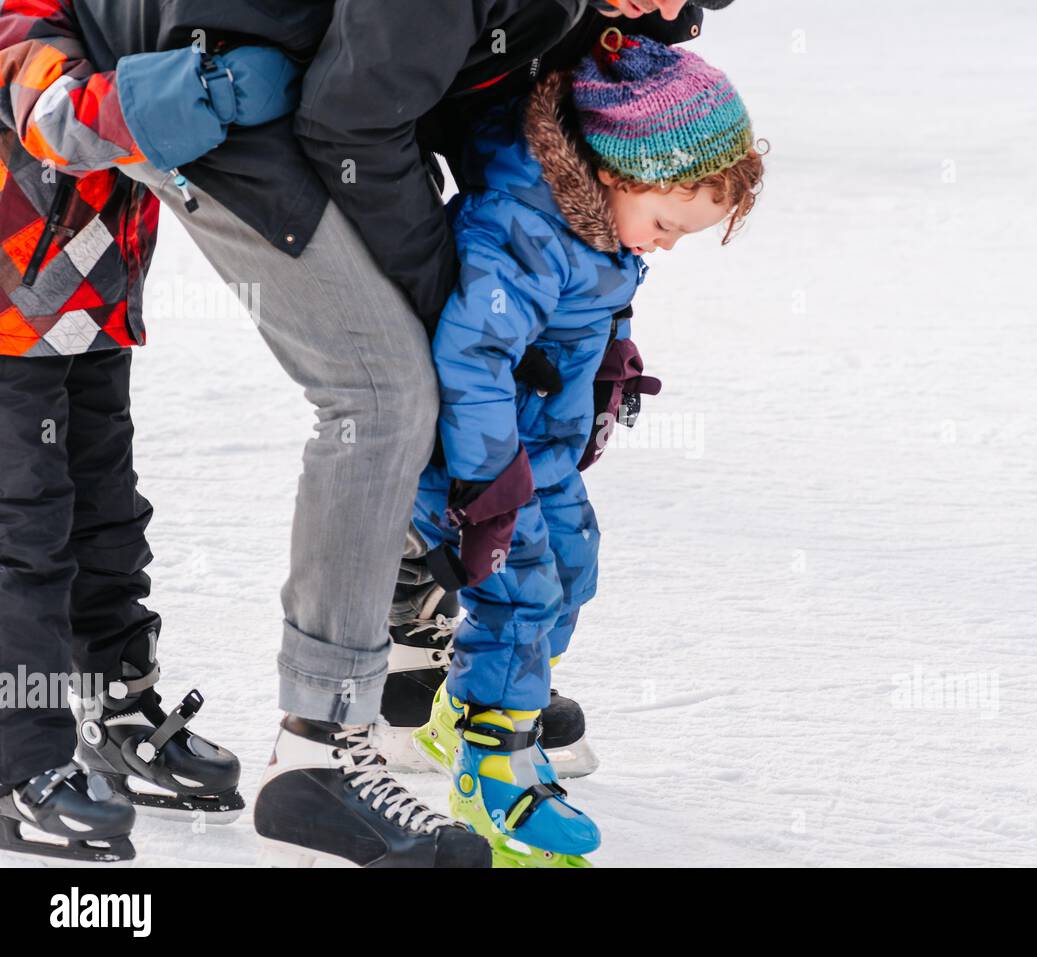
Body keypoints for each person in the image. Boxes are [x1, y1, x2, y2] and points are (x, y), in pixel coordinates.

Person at [0, 0, 729, 868]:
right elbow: (354, 116)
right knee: (384, 393)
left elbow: (463, 92)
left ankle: (410, 656)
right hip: (206, 84)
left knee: (445, 360)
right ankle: (316, 746)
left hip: (275, 82)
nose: (667, 10)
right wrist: (450, 307)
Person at [393, 32, 762, 867]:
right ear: (614, 171)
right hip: (483, 462)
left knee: (574, 564)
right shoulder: (522, 228)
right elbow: (472, 357)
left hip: (543, 448)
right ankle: (496, 764)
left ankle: (471, 708)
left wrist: (612, 360)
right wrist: (485, 482)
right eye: (666, 224)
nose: (662, 244)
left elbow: (603, 300)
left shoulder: (605, 228)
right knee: (520, 596)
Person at [0, 15, 298, 861]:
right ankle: (19, 761)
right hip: (11, 327)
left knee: (108, 517)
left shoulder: (117, 19)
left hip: (92, 315)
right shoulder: (27, 24)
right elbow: (64, 122)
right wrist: (213, 88)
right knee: (25, 539)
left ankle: (119, 707)